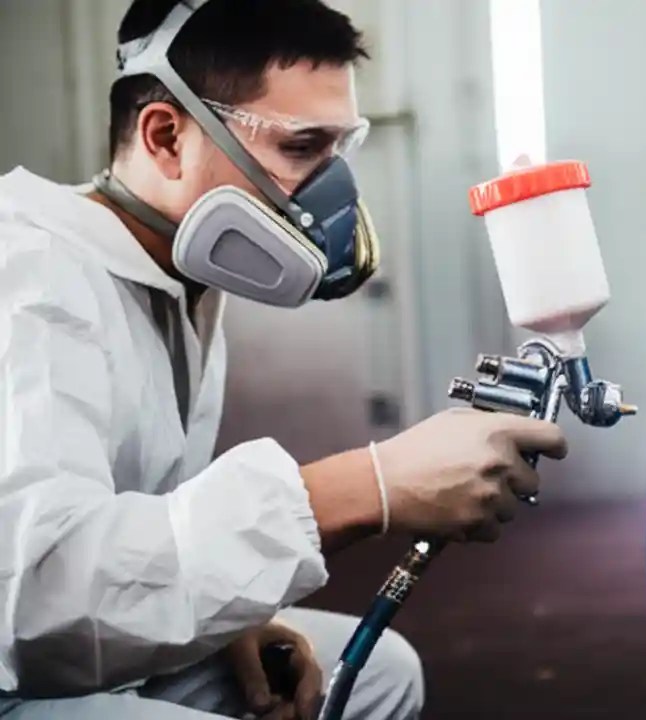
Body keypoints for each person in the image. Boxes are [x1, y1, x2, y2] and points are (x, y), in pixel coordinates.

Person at [0, 0, 567, 718]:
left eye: (340, 151)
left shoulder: (179, 283)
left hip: (74, 649)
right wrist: (370, 484)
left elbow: (139, 525)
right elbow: (38, 600)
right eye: (303, 148)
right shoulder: (28, 273)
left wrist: (222, 615)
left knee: (375, 674)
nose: (333, 196)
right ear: (167, 137)